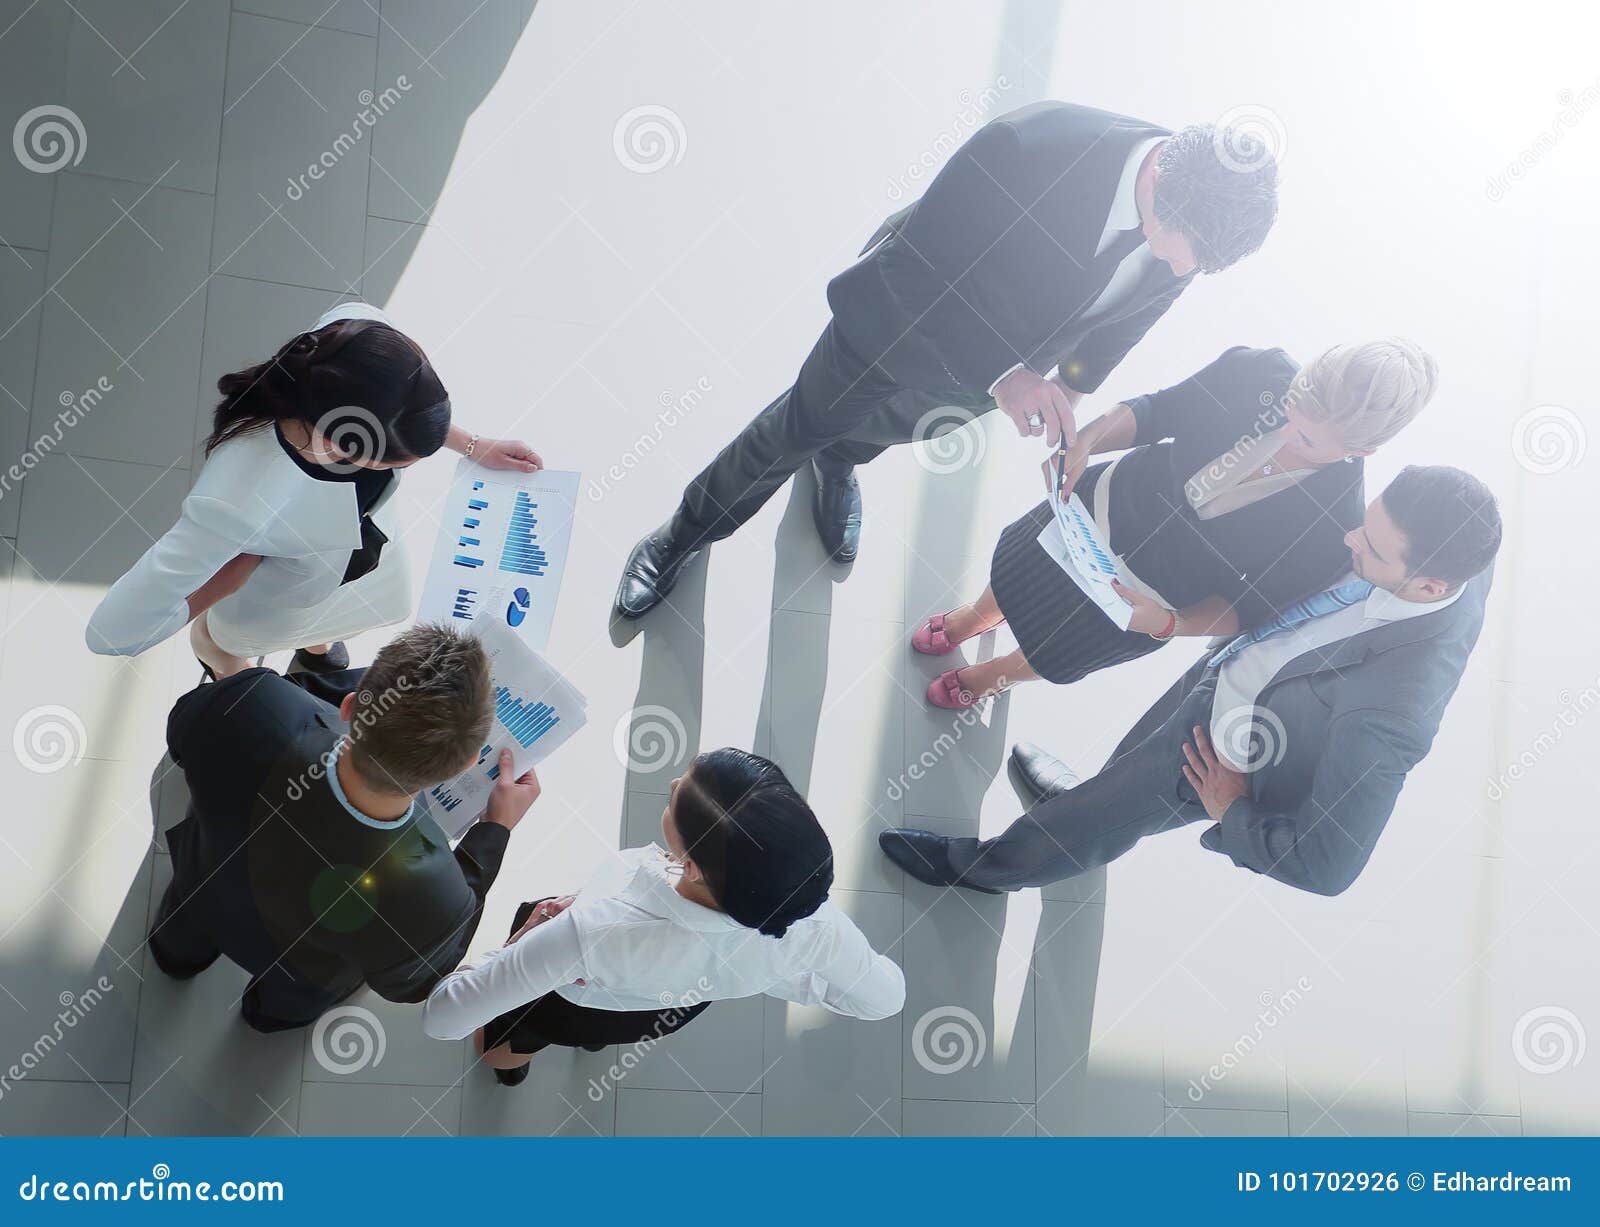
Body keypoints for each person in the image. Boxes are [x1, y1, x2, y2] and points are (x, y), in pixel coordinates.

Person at [614, 102, 1280, 619]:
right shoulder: (1031, 147)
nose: (1182, 266)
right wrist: (1006, 374)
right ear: (1161, 173)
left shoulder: (1195, 225)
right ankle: (685, 531)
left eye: (1198, 262)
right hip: (899, 321)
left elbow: (1129, 318)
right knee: (795, 429)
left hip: (994, 378)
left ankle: (841, 462)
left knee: (892, 428)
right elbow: (911, 272)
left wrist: (1068, 392)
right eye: (1182, 247)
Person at [881, 465, 1502, 897]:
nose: (1347, 540)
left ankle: (989, 870)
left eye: (1371, 547)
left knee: (1105, 816)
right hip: (1227, 670)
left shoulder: (1393, 713)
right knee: (1118, 783)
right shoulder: (1459, 539)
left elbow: (1329, 865)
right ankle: (1086, 805)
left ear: (1429, 588)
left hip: (1223, 755)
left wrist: (1233, 810)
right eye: (1363, 524)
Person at [914, 340, 1438, 707]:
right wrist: (1089, 440)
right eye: (1290, 406)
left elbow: (1251, 606)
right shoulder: (1260, 370)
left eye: (1306, 439)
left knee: (1057, 649)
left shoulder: (1337, 527)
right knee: (1022, 570)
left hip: (1152, 601)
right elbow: (1161, 410)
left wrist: (1167, 624)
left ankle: (996, 675)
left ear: (1361, 450)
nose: (1285, 428)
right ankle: (983, 613)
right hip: (1102, 507)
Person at [86, 302, 542, 678]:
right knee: (238, 638)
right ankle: (217, 653)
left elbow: (399, 410)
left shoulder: (359, 335)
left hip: (364, 548)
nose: (405, 468)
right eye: (397, 462)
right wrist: (234, 573)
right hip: (282, 590)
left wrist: (472, 445)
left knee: (378, 603)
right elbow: (111, 632)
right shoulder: (233, 503)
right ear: (341, 443)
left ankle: (315, 646)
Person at [422, 748, 905, 1087]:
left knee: (503, 1040)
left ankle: (509, 1063)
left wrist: (517, 946)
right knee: (597, 1032)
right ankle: (545, 1052)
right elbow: (885, 998)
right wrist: (777, 976)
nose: (674, 784)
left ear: (692, 867)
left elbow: (443, 1018)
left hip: (569, 992)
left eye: (679, 799)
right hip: (664, 1009)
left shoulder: (588, 933)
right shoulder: (811, 920)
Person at [148, 623, 540, 1032]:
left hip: (205, 882)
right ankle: (265, 1018)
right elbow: (409, 984)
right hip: (300, 969)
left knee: (183, 931)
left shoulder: (255, 705)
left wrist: (244, 676)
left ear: (349, 707)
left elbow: (181, 735)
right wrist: (494, 829)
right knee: (287, 1003)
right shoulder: (436, 897)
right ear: (464, 764)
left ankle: (175, 957)